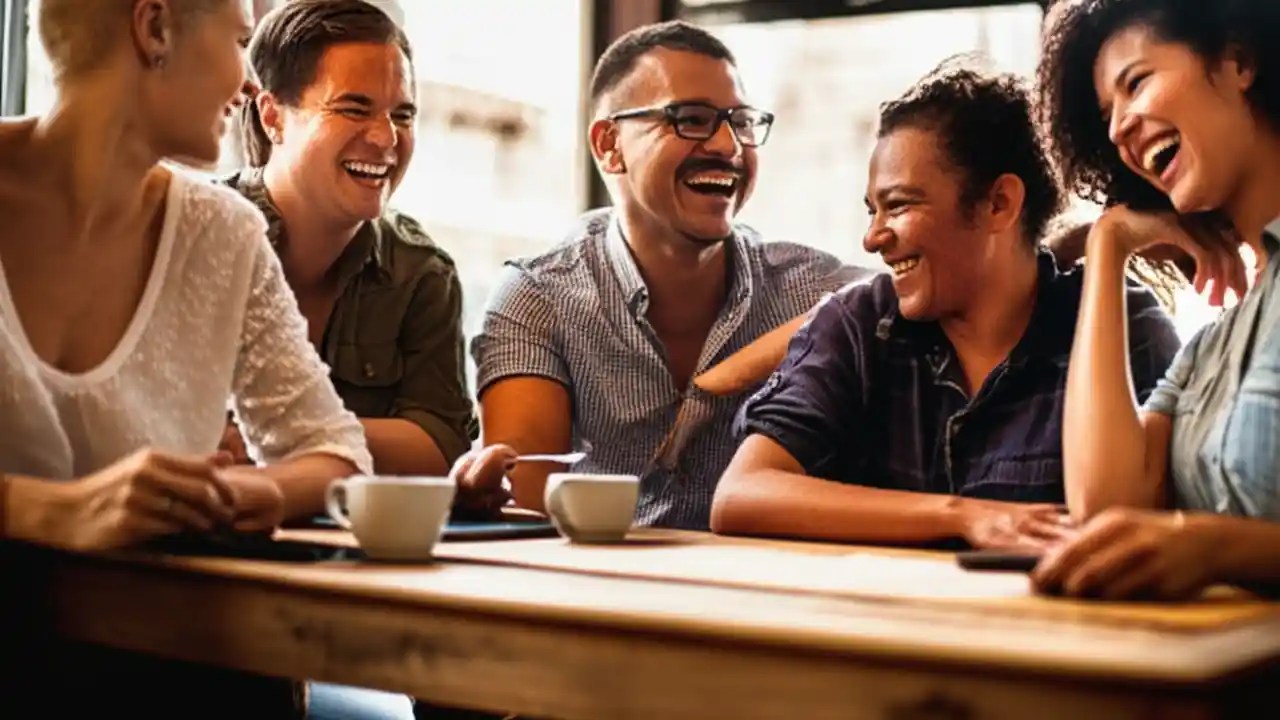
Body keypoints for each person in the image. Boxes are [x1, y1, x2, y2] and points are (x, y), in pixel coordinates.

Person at [0, 0, 371, 715]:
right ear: (155, 27)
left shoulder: (224, 233)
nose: (245, 83)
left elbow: (336, 451)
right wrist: (54, 511)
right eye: (239, 41)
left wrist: (230, 496)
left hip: (155, 658)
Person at [710, 60, 1181, 549]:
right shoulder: (858, 326)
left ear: (999, 203)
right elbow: (741, 494)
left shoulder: (1122, 327)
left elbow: (1147, 527)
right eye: (873, 211)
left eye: (899, 205)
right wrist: (962, 516)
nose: (872, 239)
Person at [451, 20, 869, 530]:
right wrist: (482, 491)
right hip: (595, 590)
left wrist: (720, 381)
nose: (728, 145)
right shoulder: (540, 297)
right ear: (609, 145)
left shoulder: (808, 286)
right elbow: (527, 509)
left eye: (740, 122)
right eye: (690, 119)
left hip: (768, 591)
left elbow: (903, 287)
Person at [1031, 0, 1280, 600]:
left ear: (1237, 61)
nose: (1118, 130)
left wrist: (1215, 547)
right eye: (1106, 115)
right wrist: (1109, 243)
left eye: (1136, 83)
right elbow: (1102, 507)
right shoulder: (1206, 351)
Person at [226, 0, 476, 477]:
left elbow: (439, 447)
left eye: (403, 116)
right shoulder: (200, 234)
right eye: (354, 108)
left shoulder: (421, 271)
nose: (386, 138)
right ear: (272, 115)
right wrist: (366, 438)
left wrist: (276, 435)